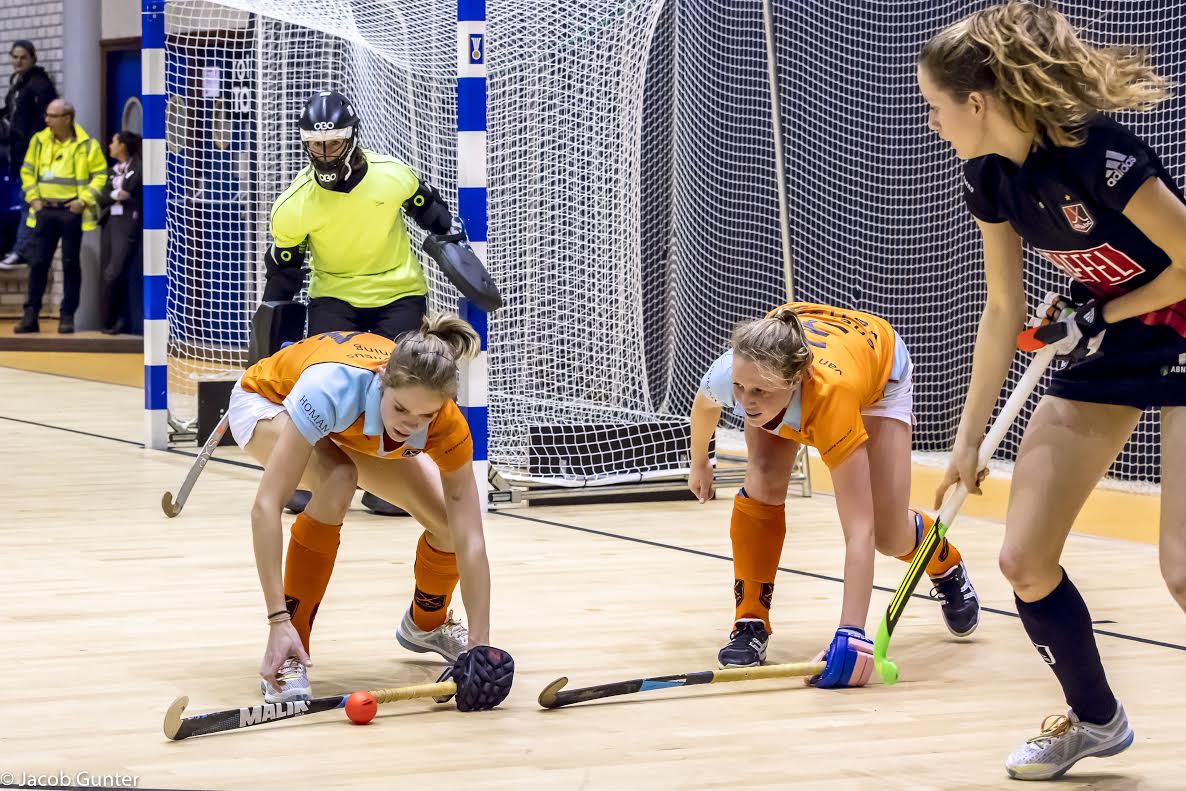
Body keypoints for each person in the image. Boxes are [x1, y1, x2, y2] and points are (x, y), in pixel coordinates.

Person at [918, 1, 1186, 779]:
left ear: (978, 102)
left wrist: (1096, 309)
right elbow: (1002, 308)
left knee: (1182, 570)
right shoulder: (988, 177)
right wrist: (966, 440)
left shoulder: (1097, 152)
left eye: (936, 108)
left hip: (1178, 331)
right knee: (1024, 558)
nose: (932, 125)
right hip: (1108, 341)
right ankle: (1096, 719)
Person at [689, 302, 981, 685]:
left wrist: (851, 632)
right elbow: (705, 407)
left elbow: (859, 530)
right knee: (762, 479)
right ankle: (750, 622)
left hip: (879, 367)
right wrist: (699, 463)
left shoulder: (832, 400)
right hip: (805, 348)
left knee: (888, 535)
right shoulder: (740, 369)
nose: (745, 401)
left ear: (795, 380)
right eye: (740, 389)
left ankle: (945, 562)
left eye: (758, 391)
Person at [228, 313, 511, 707]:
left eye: (425, 416)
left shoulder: (444, 424)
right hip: (267, 403)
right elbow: (266, 507)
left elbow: (471, 538)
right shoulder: (331, 389)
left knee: (446, 525)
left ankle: (426, 625)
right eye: (402, 410)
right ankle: (291, 650)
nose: (411, 425)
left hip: (352, 423)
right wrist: (277, 620)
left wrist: (481, 645)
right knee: (339, 477)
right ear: (382, 378)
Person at [264, 90, 486, 516]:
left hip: (398, 292)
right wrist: (273, 341)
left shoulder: (393, 176)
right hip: (334, 297)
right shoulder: (292, 206)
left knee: (408, 387)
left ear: (351, 138)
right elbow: (284, 276)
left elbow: (436, 219)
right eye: (315, 144)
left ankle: (394, 485)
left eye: (332, 142)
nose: (324, 153)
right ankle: (312, 476)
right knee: (324, 388)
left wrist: (459, 252)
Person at [11, 99, 106, 334]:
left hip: (71, 212)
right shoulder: (39, 141)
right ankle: (30, 316)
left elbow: (100, 176)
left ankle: (67, 317)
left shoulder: (87, 145)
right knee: (38, 263)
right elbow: (27, 171)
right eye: (47, 115)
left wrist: (82, 200)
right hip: (44, 211)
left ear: (67, 118)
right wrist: (33, 198)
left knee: (70, 264)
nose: (47, 120)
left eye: (52, 116)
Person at [0, 39, 56, 268]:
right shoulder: (18, 85)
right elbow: (13, 114)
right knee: (23, 203)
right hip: (18, 155)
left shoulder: (39, 86)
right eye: (14, 57)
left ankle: (22, 250)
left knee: (28, 204)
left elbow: (45, 121)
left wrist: (34, 147)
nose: (18, 61)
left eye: (23, 57)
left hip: (32, 157)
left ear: (33, 58)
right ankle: (23, 248)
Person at [99, 130, 142, 335]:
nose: (110, 145)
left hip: (128, 222)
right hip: (111, 222)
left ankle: (119, 320)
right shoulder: (111, 171)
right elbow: (102, 198)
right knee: (107, 271)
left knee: (115, 272)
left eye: (113, 141)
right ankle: (110, 320)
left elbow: (132, 191)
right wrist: (116, 194)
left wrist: (116, 194)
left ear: (123, 145)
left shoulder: (139, 168)